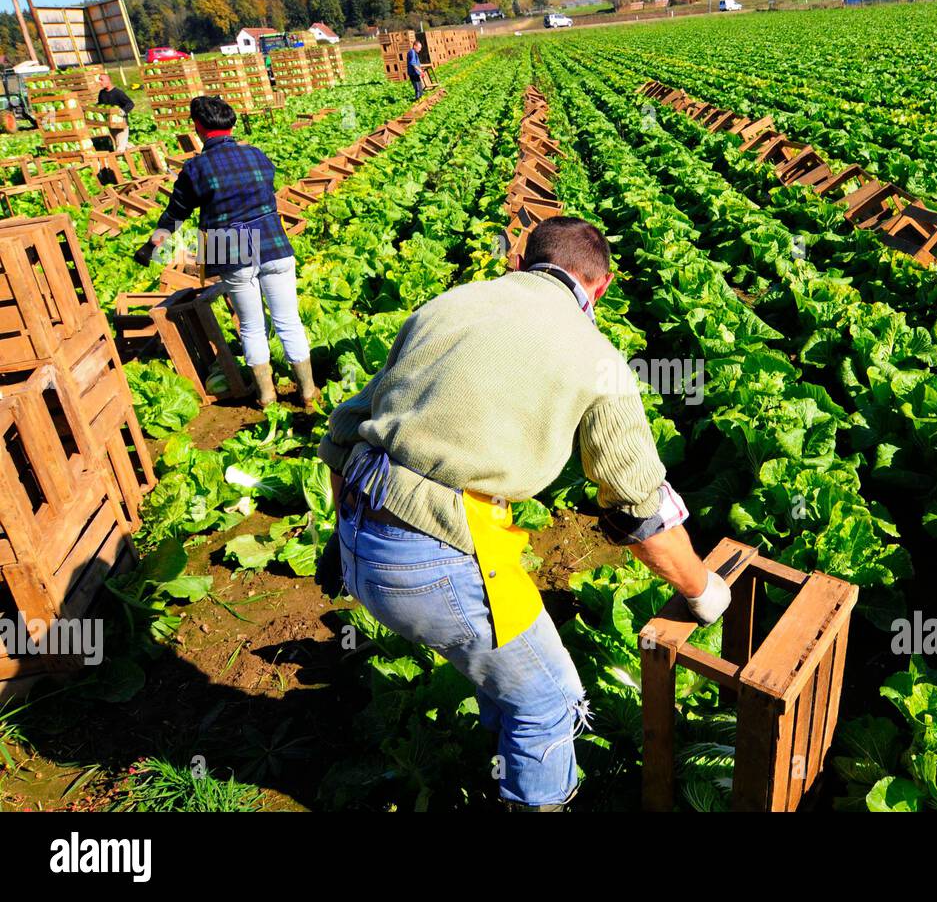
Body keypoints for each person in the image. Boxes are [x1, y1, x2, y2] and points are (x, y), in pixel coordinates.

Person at [319, 217, 730, 811]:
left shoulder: (449, 305)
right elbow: (641, 514)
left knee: (505, 673)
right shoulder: (598, 358)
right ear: (602, 288)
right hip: (434, 559)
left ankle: (494, 751)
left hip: (361, 526)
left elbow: (344, 428)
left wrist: (343, 535)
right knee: (550, 700)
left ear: (520, 261)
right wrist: (701, 591)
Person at [149, 95, 318, 408]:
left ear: (198, 127)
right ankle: (307, 391)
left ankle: (266, 395)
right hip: (272, 240)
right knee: (288, 322)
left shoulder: (195, 169)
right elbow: (267, 185)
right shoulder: (255, 155)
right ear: (231, 124)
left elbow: (176, 213)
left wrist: (152, 245)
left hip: (228, 245)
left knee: (251, 326)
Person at [96, 73, 134, 154]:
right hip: (111, 124)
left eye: (102, 80)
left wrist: (123, 111)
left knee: (120, 148)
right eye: (99, 80)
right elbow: (100, 105)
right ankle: (138, 150)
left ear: (108, 80)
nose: (100, 82)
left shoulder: (118, 93)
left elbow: (130, 103)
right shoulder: (102, 93)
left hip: (121, 124)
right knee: (121, 143)